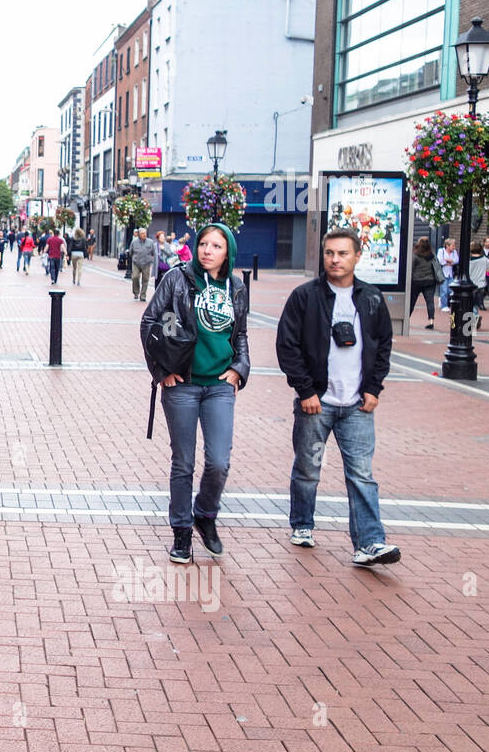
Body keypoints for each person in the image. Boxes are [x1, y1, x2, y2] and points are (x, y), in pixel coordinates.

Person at [275, 228, 400, 567]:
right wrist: (305, 390)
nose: (335, 259)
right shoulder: (304, 296)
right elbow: (287, 346)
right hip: (317, 402)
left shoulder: (372, 299)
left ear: (357, 256)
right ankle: (302, 523)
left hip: (358, 404)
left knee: (362, 474)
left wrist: (374, 389)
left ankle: (369, 543)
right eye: (330, 253)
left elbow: (384, 346)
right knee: (308, 467)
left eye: (343, 253)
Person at [140, 223, 249, 564]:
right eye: (203, 243)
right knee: (183, 462)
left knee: (219, 461)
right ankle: (182, 532)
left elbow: (240, 333)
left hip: (219, 385)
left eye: (216, 246)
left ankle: (205, 513)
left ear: (227, 252)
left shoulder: (235, 286)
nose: (207, 251)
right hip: (183, 385)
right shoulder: (176, 279)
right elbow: (152, 324)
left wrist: (240, 368)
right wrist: (162, 370)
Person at [409, 236, 440, 330]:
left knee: (411, 301)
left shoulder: (415, 255)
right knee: (430, 302)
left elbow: (411, 268)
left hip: (416, 281)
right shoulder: (432, 255)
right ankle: (431, 321)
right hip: (430, 281)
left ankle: (407, 319)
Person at [130, 227, 156, 302]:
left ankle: (143, 295)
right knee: (135, 277)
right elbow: (131, 252)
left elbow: (153, 253)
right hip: (136, 263)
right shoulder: (134, 242)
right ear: (139, 234)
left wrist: (151, 260)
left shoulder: (150, 242)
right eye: (142, 233)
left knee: (145, 280)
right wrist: (134, 258)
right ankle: (136, 292)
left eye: (145, 233)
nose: (144, 235)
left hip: (146, 263)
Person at [467, 240, 489, 313]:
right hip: (481, 285)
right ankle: (475, 316)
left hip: (470, 285)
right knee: (476, 304)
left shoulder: (468, 260)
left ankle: (474, 317)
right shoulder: (485, 260)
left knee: (471, 304)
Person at [437, 238, 458, 311]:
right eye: (452, 245)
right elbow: (440, 261)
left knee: (451, 291)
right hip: (443, 273)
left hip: (451, 273)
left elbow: (456, 260)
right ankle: (444, 306)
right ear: (447, 246)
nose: (454, 247)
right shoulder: (441, 251)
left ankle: (447, 303)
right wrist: (450, 262)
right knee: (444, 290)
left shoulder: (454, 252)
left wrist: (447, 260)